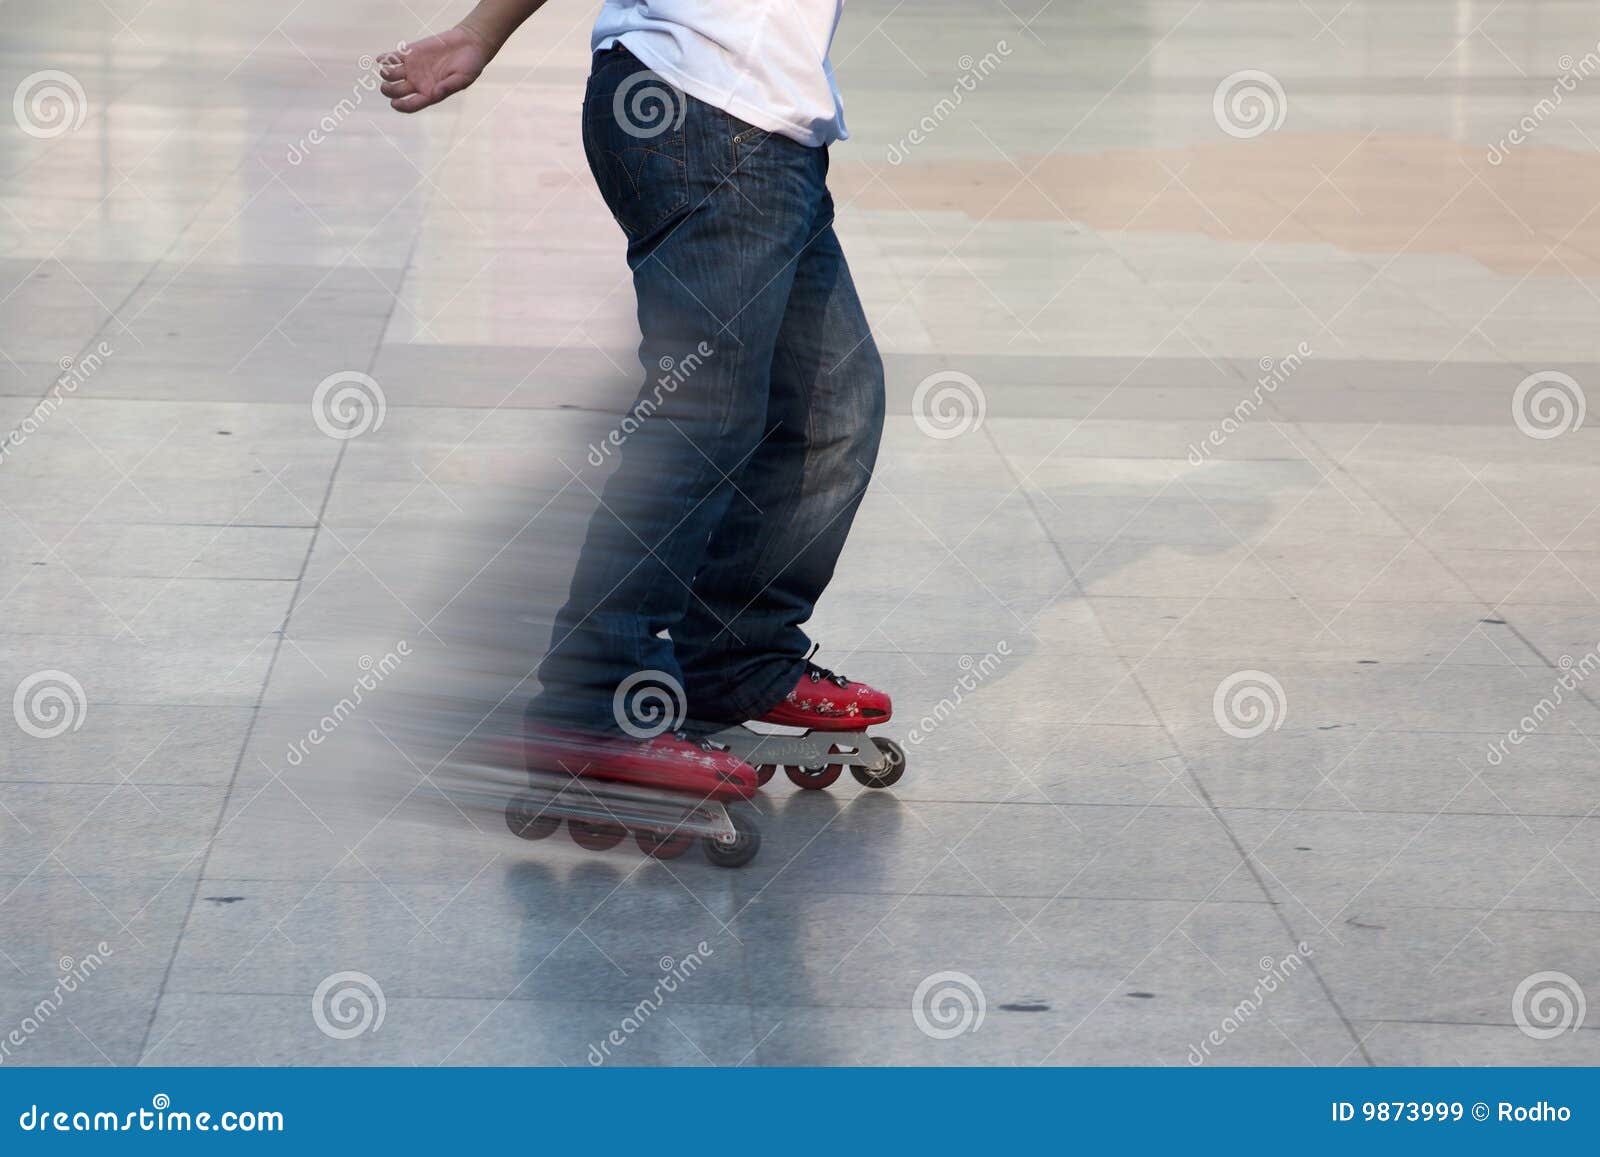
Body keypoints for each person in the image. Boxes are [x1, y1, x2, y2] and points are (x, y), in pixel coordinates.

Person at [380, 1, 890, 787]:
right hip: (700, 111)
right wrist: (481, 31)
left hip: (774, 131)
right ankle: (593, 701)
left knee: (830, 409)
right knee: (704, 416)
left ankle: (731, 659)